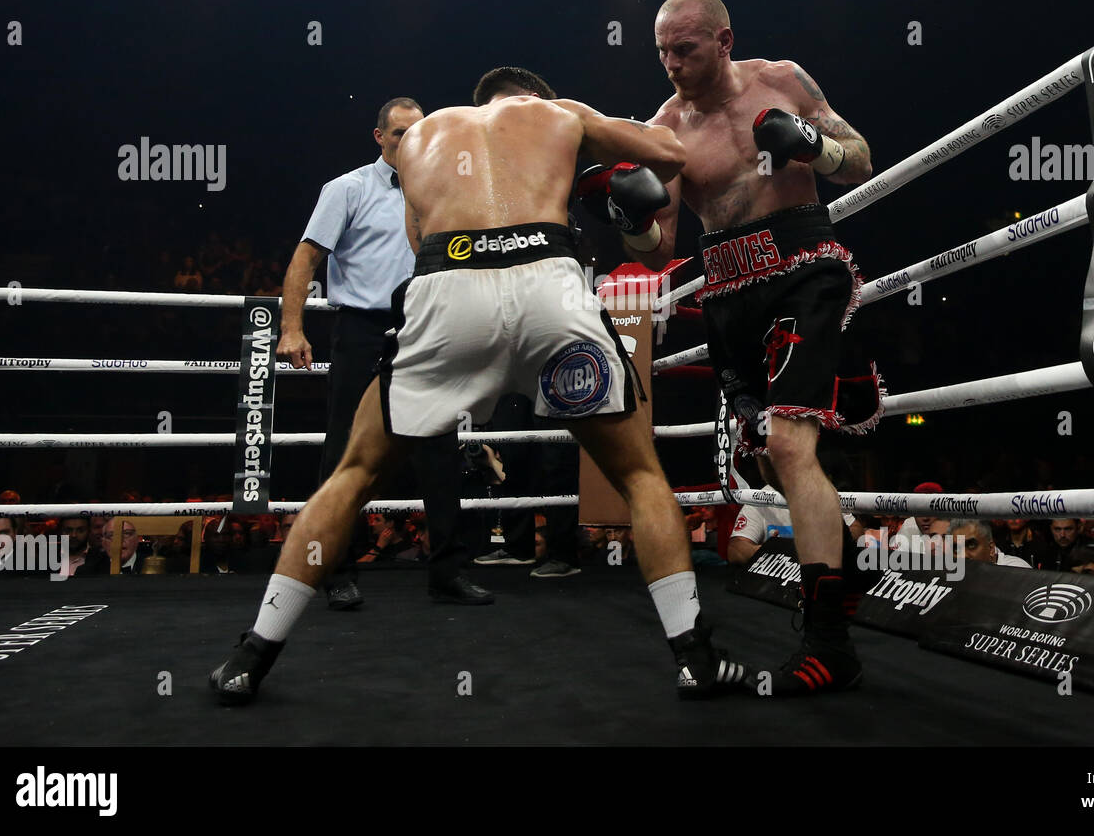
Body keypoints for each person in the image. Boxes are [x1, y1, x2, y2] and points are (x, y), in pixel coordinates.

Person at [210, 66, 755, 704]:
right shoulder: (559, 114)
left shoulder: (421, 138)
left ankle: (252, 655)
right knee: (639, 475)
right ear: (532, 98)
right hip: (550, 285)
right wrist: (603, 175)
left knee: (352, 474)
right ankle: (694, 656)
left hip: (448, 289)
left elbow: (417, 241)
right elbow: (670, 152)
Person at [628, 0, 877, 695]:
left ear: (724, 40)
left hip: (804, 269)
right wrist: (629, 216)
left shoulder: (784, 80)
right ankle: (849, 575)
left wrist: (813, 146)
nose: (672, 65)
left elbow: (859, 159)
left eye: (687, 49)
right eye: (663, 52)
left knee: (795, 445)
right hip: (730, 293)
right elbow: (657, 249)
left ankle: (831, 642)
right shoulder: (665, 130)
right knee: (769, 460)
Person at [277, 96, 491, 609]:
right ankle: (337, 572)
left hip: (423, 330)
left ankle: (447, 573)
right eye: (398, 134)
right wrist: (291, 328)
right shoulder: (347, 189)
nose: (409, 142)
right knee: (346, 452)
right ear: (380, 138)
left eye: (417, 133)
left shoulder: (440, 190)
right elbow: (306, 258)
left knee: (439, 451)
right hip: (360, 331)